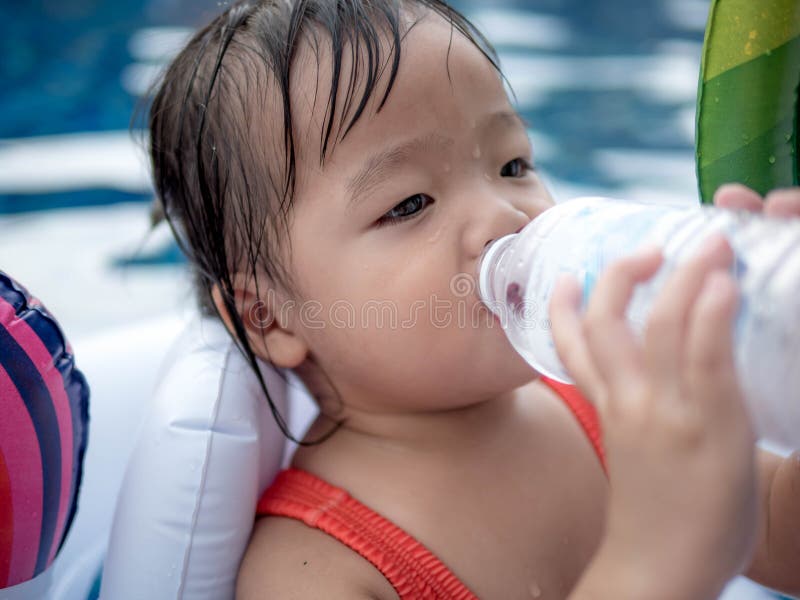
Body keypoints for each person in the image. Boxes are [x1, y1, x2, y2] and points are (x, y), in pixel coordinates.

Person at [147, 1, 800, 597]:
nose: (502, 217)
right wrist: (653, 563)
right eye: (408, 204)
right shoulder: (313, 568)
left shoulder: (604, 396)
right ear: (268, 316)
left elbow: (779, 537)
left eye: (512, 165)